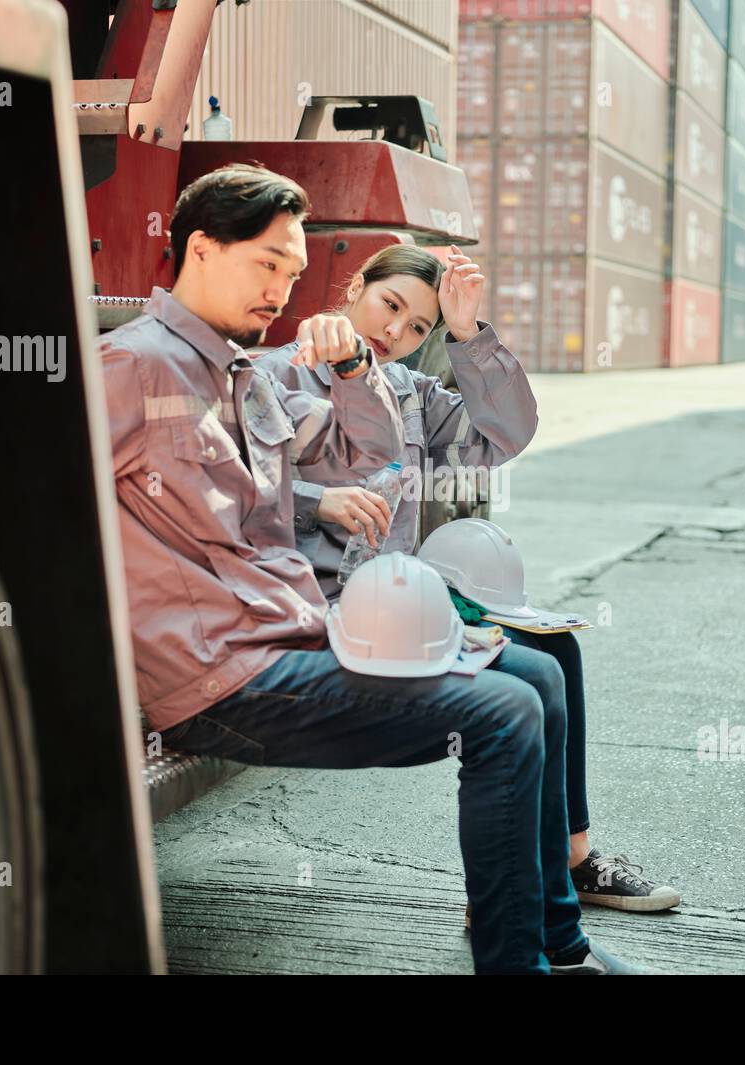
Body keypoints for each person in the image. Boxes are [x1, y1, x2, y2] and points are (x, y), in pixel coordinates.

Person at [99, 162, 638, 974]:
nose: (282, 287)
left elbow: (389, 458)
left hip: (296, 630)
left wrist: (400, 356)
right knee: (506, 711)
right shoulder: (139, 365)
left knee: (537, 679)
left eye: (290, 269)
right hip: (224, 665)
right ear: (201, 250)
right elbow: (36, 506)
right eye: (266, 264)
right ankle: (529, 956)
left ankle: (554, 944)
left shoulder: (240, 372)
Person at [259, 244, 681, 914]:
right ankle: (521, 887)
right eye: (389, 304)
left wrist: (466, 334)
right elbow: (234, 489)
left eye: (417, 326)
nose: (396, 330)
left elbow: (505, 435)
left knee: (554, 649)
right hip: (317, 604)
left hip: (397, 599)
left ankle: (573, 859)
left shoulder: (412, 394)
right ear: (355, 286)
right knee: (521, 680)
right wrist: (317, 500)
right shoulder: (276, 374)